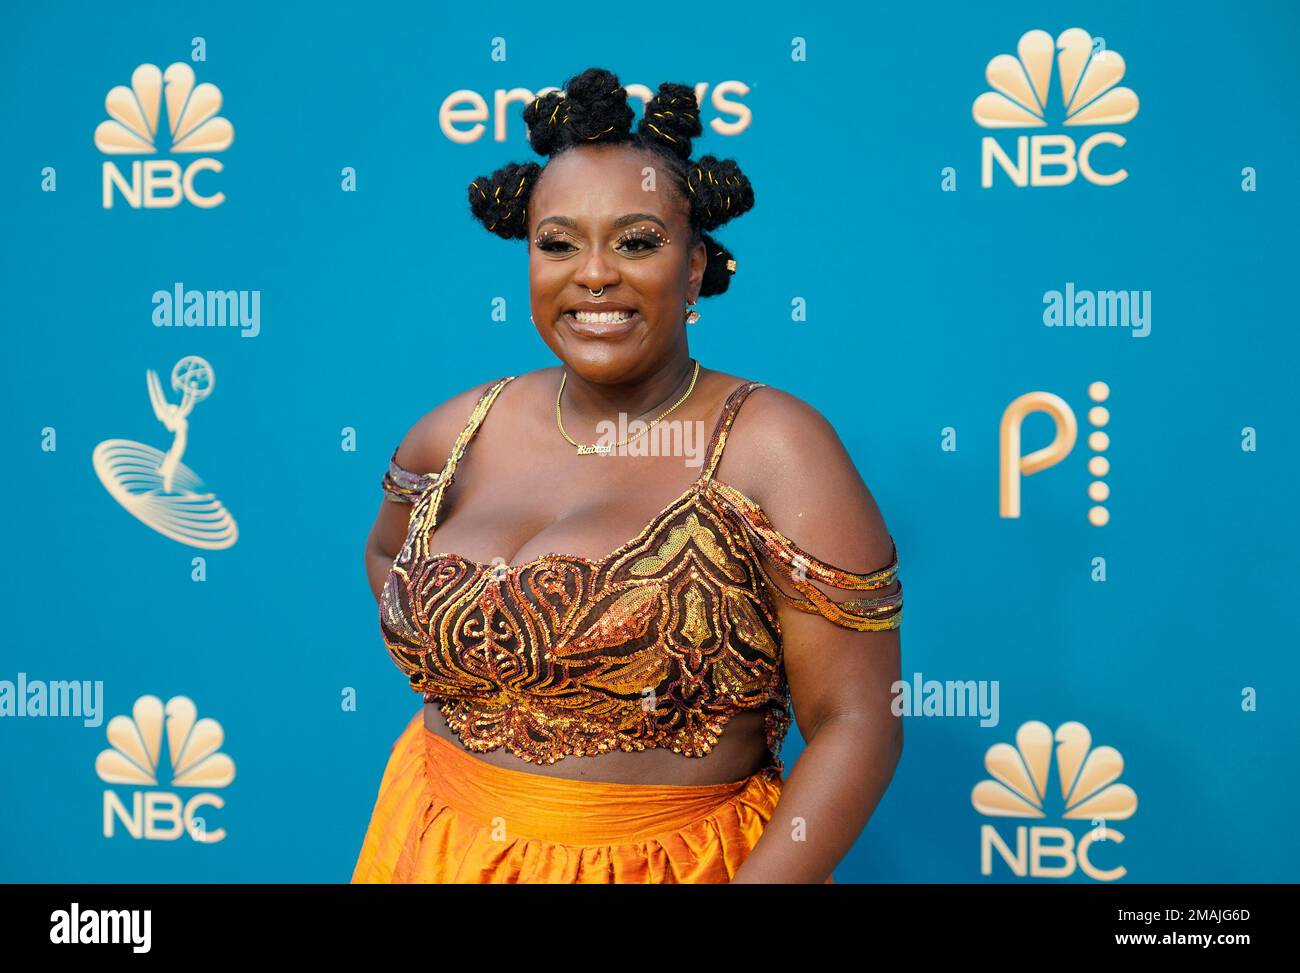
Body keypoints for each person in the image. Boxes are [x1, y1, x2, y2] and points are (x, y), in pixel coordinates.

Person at [351, 67, 903, 884]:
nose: (595, 274)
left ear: (696, 267)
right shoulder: (455, 430)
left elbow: (858, 719)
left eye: (637, 241)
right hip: (432, 847)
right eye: (559, 242)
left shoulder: (775, 446)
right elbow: (387, 556)